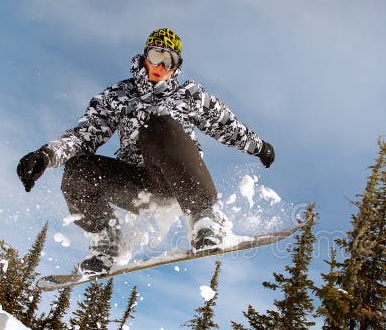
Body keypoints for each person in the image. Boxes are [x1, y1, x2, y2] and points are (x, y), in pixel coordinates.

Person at [17, 28, 275, 276]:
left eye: (169, 61)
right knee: (77, 169)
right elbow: (86, 134)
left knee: (158, 125)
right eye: (156, 57)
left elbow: (225, 125)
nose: (161, 67)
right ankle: (107, 245)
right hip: (137, 188)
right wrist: (46, 155)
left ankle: (204, 220)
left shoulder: (190, 96)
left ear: (176, 67)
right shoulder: (118, 95)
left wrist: (259, 147)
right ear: (144, 57)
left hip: (177, 183)